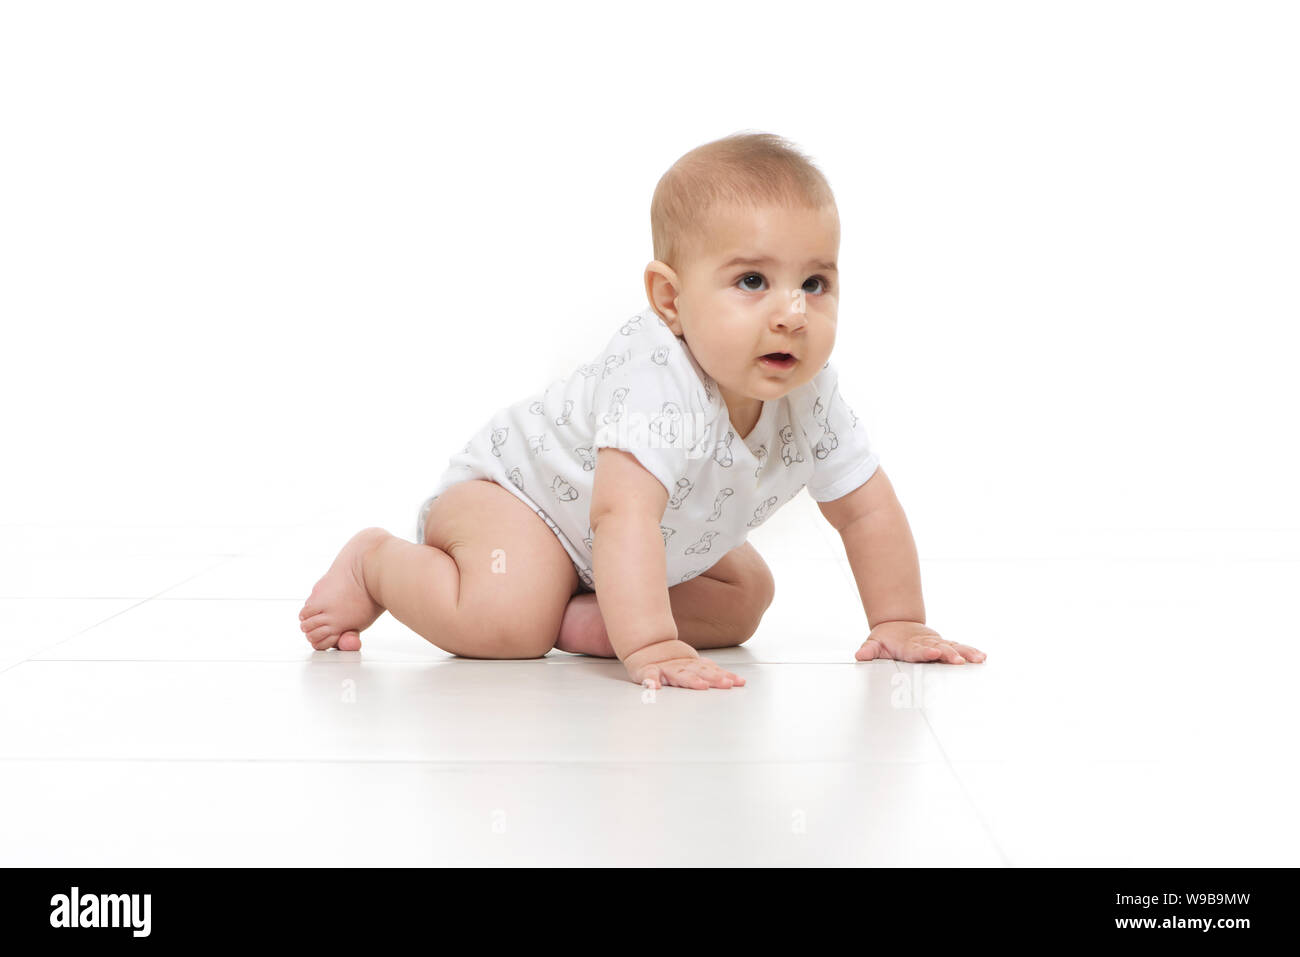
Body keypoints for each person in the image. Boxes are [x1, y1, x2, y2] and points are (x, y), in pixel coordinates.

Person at [298, 131, 987, 690]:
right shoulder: (657, 373)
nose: (792, 312)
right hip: (516, 502)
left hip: (612, 549)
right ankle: (376, 562)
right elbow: (620, 515)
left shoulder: (812, 395)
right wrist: (653, 644)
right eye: (753, 280)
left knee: (745, 594)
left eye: (815, 282)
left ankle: (583, 614)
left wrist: (901, 619)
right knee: (508, 623)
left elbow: (866, 509)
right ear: (669, 299)